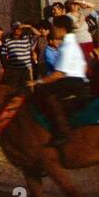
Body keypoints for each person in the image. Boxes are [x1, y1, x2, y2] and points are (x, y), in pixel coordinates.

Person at [31, 14, 88, 152]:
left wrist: (37, 82)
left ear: (61, 29)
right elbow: (85, 66)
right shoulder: (70, 44)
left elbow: (59, 73)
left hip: (72, 81)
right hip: (75, 79)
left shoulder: (67, 47)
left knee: (47, 94)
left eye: (54, 27)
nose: (53, 30)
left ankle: (63, 132)